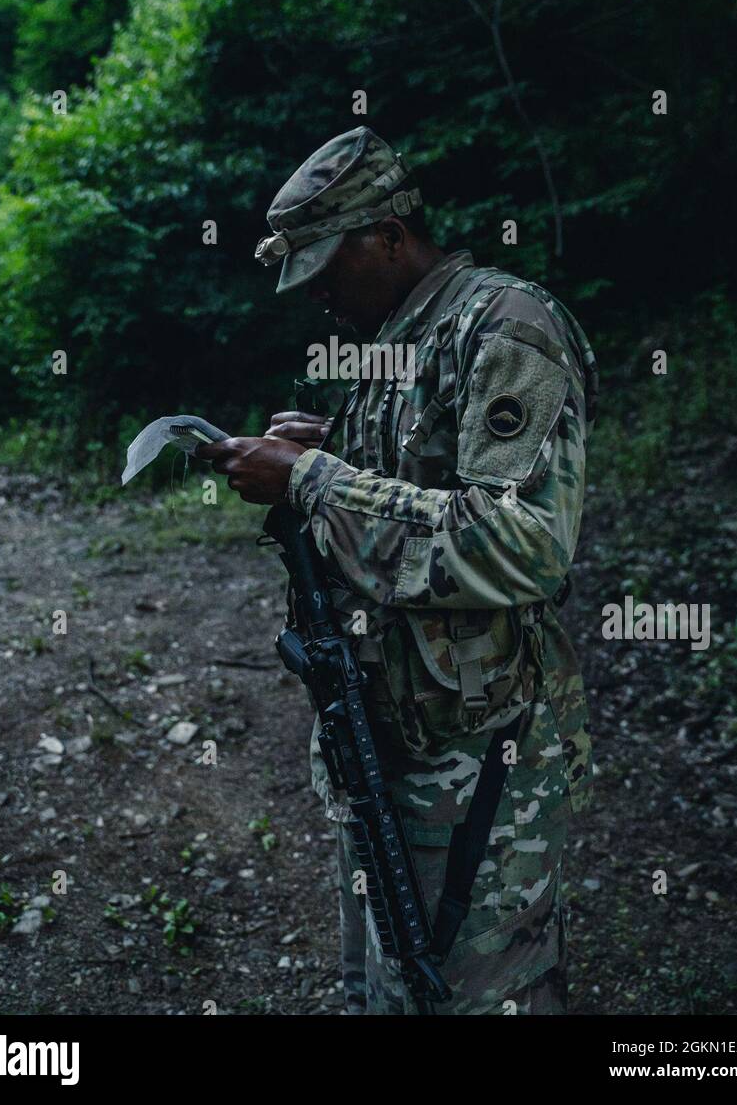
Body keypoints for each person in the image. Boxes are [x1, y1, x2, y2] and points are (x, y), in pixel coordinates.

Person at [198, 126, 598, 1015]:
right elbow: (424, 488)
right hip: (392, 744)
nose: (322, 301)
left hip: (480, 760)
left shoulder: (505, 325)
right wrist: (331, 449)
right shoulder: (399, 341)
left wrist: (313, 481)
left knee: (483, 994)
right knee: (391, 989)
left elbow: (523, 540)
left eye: (329, 272)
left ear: (387, 234)